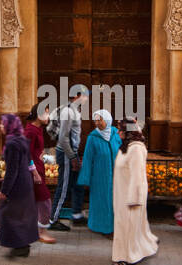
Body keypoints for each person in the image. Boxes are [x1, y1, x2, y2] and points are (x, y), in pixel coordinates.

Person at [112, 119, 159, 265]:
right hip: (122, 193)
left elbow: (138, 176)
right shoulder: (126, 147)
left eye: (121, 130)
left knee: (128, 225)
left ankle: (128, 256)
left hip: (130, 196)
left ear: (129, 132)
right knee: (122, 224)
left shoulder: (136, 149)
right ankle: (124, 253)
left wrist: (134, 198)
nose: (118, 133)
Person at [0, 113, 39, 257]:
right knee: (19, 215)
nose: (0, 126)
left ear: (9, 125)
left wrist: (5, 190)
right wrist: (35, 174)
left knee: (8, 215)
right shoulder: (22, 139)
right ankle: (22, 245)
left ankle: (20, 246)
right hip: (25, 182)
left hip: (17, 184)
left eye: (3, 123)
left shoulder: (12, 144)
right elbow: (29, 160)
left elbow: (12, 170)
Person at [47, 86, 88, 231]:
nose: (86, 99)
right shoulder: (69, 112)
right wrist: (72, 158)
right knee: (63, 187)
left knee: (78, 184)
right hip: (66, 154)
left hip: (72, 153)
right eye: (85, 96)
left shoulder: (74, 110)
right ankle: (53, 220)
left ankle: (76, 215)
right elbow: (63, 138)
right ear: (77, 96)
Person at [77, 109, 121, 234]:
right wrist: (85, 178)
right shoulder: (93, 137)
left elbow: (123, 151)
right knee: (101, 201)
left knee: (114, 201)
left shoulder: (115, 134)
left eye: (99, 120)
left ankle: (115, 228)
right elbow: (88, 158)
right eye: (95, 120)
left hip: (116, 176)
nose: (97, 123)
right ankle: (100, 227)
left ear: (107, 120)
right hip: (99, 176)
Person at [24, 106, 56, 244]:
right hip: (33, 172)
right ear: (38, 115)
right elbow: (27, 154)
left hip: (39, 168)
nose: (48, 117)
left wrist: (42, 155)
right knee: (45, 201)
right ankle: (42, 232)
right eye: (46, 114)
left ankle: (34, 230)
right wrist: (35, 173)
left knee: (36, 201)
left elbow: (36, 150)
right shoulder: (30, 131)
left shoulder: (38, 129)